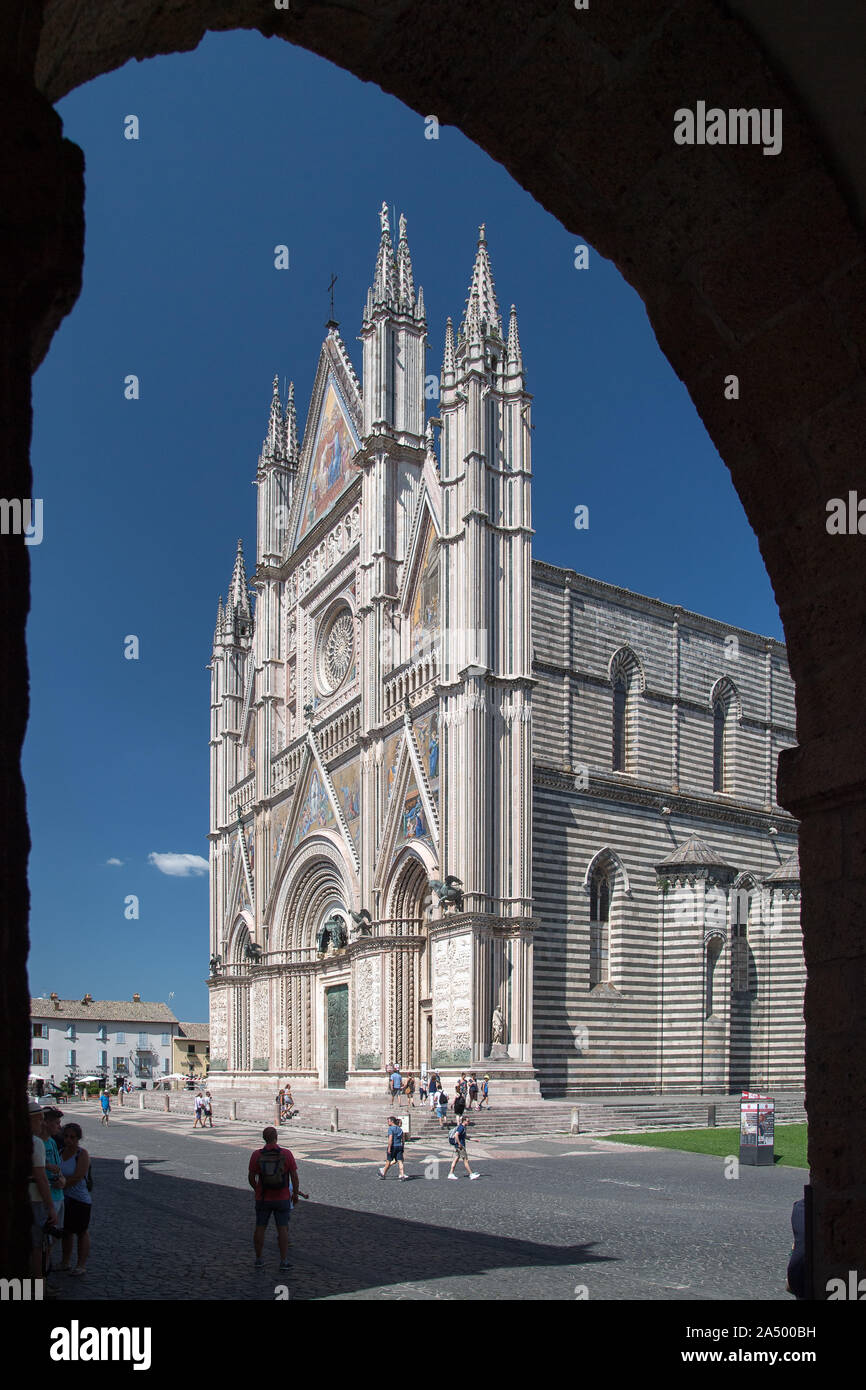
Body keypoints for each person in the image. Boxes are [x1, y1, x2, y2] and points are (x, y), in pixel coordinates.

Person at [248, 1126, 301, 1271]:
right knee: (282, 1229)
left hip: (263, 1197)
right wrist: (294, 1194)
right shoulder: (287, 1154)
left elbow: (251, 1177)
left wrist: (258, 1189)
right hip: (282, 1197)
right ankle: (283, 1261)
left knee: (260, 1228)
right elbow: (294, 1178)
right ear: (276, 1137)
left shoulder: (256, 1155)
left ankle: (259, 1259)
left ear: (264, 1138)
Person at [28, 1101, 60, 1287]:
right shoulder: (36, 1143)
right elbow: (40, 1178)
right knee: (37, 1246)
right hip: (34, 1199)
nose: (41, 1124)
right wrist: (50, 1207)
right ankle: (37, 1288)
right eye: (39, 1120)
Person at [59, 1122, 92, 1275]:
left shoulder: (82, 1154)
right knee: (66, 1231)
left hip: (80, 1199)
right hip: (64, 1198)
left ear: (78, 1138)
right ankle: (65, 1262)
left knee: (81, 1231)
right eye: (66, 1136)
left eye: (72, 1137)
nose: (68, 1140)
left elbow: (78, 1176)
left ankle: (81, 1264)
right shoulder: (60, 1152)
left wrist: (61, 1185)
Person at [42, 1107, 66, 1273]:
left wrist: (63, 1181)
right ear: (45, 1123)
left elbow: (59, 1169)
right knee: (43, 1244)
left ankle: (44, 1279)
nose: (59, 1127)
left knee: (51, 1243)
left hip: (59, 1195)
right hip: (46, 1199)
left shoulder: (52, 1142)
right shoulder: (38, 1144)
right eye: (56, 1123)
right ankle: (40, 1283)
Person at [379, 1116, 407, 1180]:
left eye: (388, 1121)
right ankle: (402, 1175)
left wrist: (389, 1147)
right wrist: (402, 1146)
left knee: (388, 1161)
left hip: (393, 1146)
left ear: (392, 1121)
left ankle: (383, 1174)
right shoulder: (400, 1129)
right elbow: (403, 1139)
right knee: (400, 1161)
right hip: (399, 1146)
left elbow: (390, 1139)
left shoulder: (391, 1129)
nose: (388, 1123)